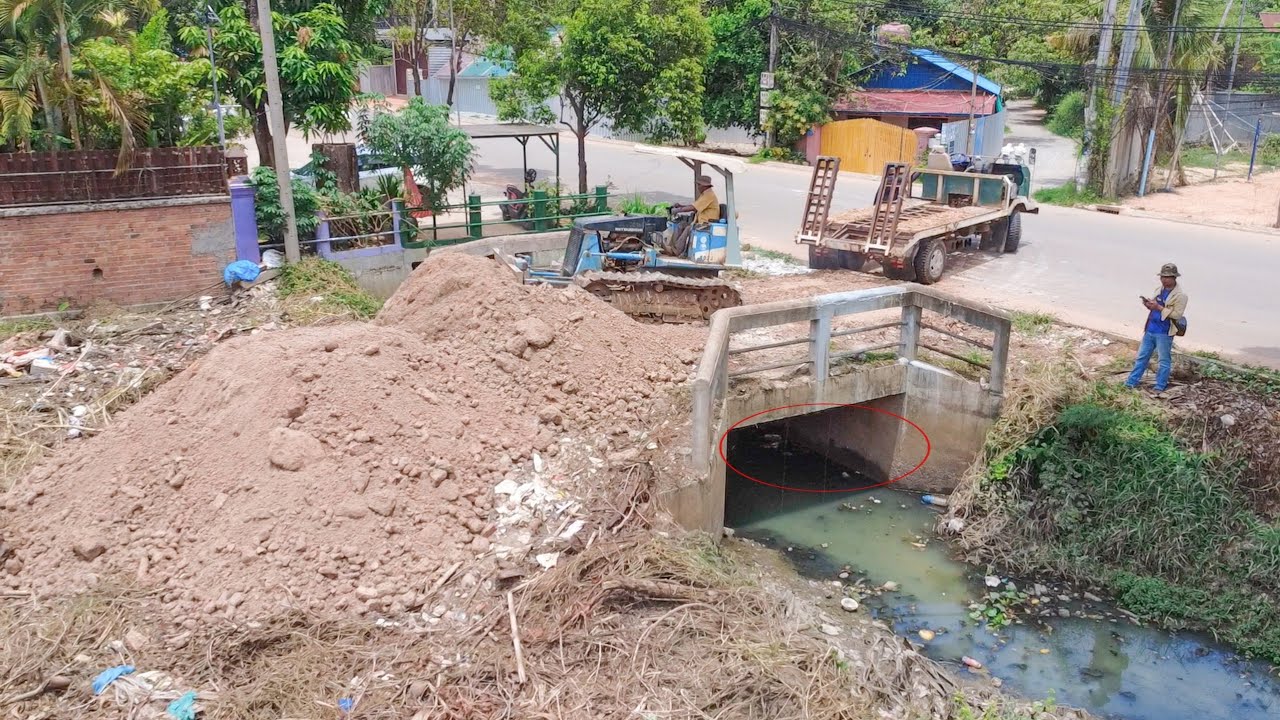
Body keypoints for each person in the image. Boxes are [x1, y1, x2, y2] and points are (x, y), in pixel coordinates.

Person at [1125, 263, 1188, 393]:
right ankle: (1131, 382)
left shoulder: (1180, 296)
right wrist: (1148, 305)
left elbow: (1177, 315)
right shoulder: (1159, 290)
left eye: (1167, 277)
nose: (1164, 280)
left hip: (1164, 332)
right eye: (1162, 277)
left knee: (1164, 360)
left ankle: (1160, 385)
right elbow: (1154, 306)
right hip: (1151, 329)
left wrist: (1158, 307)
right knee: (1142, 357)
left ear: (1174, 278)